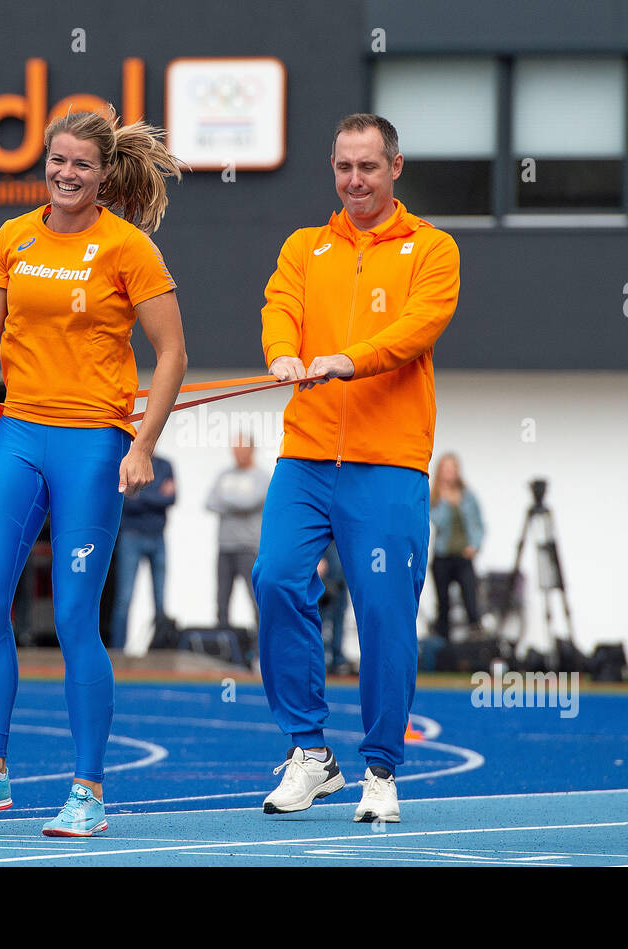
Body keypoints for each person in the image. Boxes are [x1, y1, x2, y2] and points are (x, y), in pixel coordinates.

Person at [0, 110, 186, 837]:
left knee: (76, 616)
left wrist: (142, 444)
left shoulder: (128, 247)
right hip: (17, 435)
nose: (66, 174)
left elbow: (172, 354)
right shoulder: (12, 238)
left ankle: (88, 790)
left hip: (93, 446)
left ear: (104, 173)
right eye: (56, 161)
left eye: (80, 164)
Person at [252, 113, 460, 823]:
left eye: (368, 166)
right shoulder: (305, 248)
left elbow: (416, 329)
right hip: (307, 457)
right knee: (275, 578)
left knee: (383, 614)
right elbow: (279, 306)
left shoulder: (432, 249)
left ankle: (380, 771)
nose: (354, 180)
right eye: (344, 167)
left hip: (387, 463)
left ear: (395, 167)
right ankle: (310, 754)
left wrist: (350, 358)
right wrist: (282, 353)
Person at [109, 455, 176, 650]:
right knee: (124, 597)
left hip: (158, 537)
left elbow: (171, 498)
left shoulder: (165, 465)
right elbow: (124, 499)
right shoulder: (127, 463)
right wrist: (156, 494)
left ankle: (161, 648)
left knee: (160, 598)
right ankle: (118, 650)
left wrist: (139, 494)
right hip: (132, 536)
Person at [206, 435, 271, 631]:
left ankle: (261, 648)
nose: (237, 454)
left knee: (255, 598)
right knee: (222, 600)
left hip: (248, 547)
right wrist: (238, 501)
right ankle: (224, 647)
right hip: (225, 546)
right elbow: (209, 502)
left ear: (252, 450)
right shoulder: (224, 474)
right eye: (235, 450)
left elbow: (249, 502)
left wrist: (225, 498)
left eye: (241, 450)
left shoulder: (261, 477)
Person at [429, 452, 485, 638]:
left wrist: (475, 545)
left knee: (471, 600)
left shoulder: (468, 496)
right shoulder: (435, 497)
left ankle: (476, 643)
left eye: (453, 469)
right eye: (446, 470)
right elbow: (438, 522)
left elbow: (478, 524)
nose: (449, 474)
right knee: (443, 605)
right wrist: (445, 500)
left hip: (463, 557)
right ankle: (444, 648)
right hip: (442, 557)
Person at [317, 541, 351, 675]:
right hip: (328, 554)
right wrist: (319, 557)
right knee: (324, 613)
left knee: (339, 613)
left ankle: (336, 658)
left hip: (342, 556)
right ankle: (322, 656)